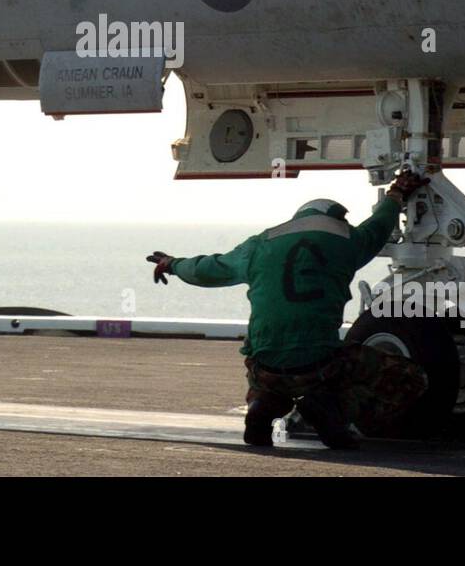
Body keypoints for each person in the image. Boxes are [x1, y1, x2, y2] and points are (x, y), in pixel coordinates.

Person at [145, 169, 431, 448]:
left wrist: (173, 264)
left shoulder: (261, 243)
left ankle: (261, 403)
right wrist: (396, 194)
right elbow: (380, 225)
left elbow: (209, 269)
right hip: (319, 365)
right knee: (411, 380)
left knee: (270, 369)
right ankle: (336, 412)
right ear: (336, 218)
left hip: (265, 366)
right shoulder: (347, 239)